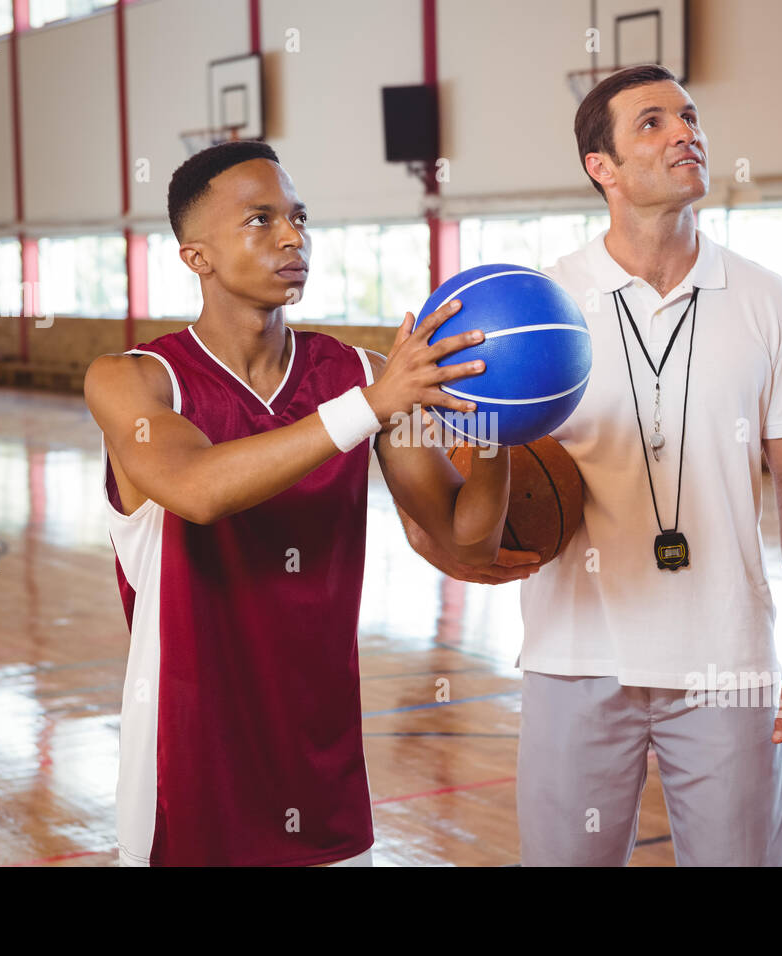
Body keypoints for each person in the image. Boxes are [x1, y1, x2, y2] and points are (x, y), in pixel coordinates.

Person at [397, 65, 782, 866]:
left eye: (690, 116)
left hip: (726, 657)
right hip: (576, 657)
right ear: (600, 167)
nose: (686, 133)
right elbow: (456, 483)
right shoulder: (537, 308)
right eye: (652, 123)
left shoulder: (765, 299)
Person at [83, 140, 511, 866]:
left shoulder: (359, 373)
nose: (293, 237)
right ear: (197, 258)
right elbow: (199, 490)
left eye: (299, 218)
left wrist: (505, 419)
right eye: (260, 220)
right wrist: (371, 406)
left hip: (323, 768)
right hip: (186, 766)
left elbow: (465, 538)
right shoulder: (133, 382)